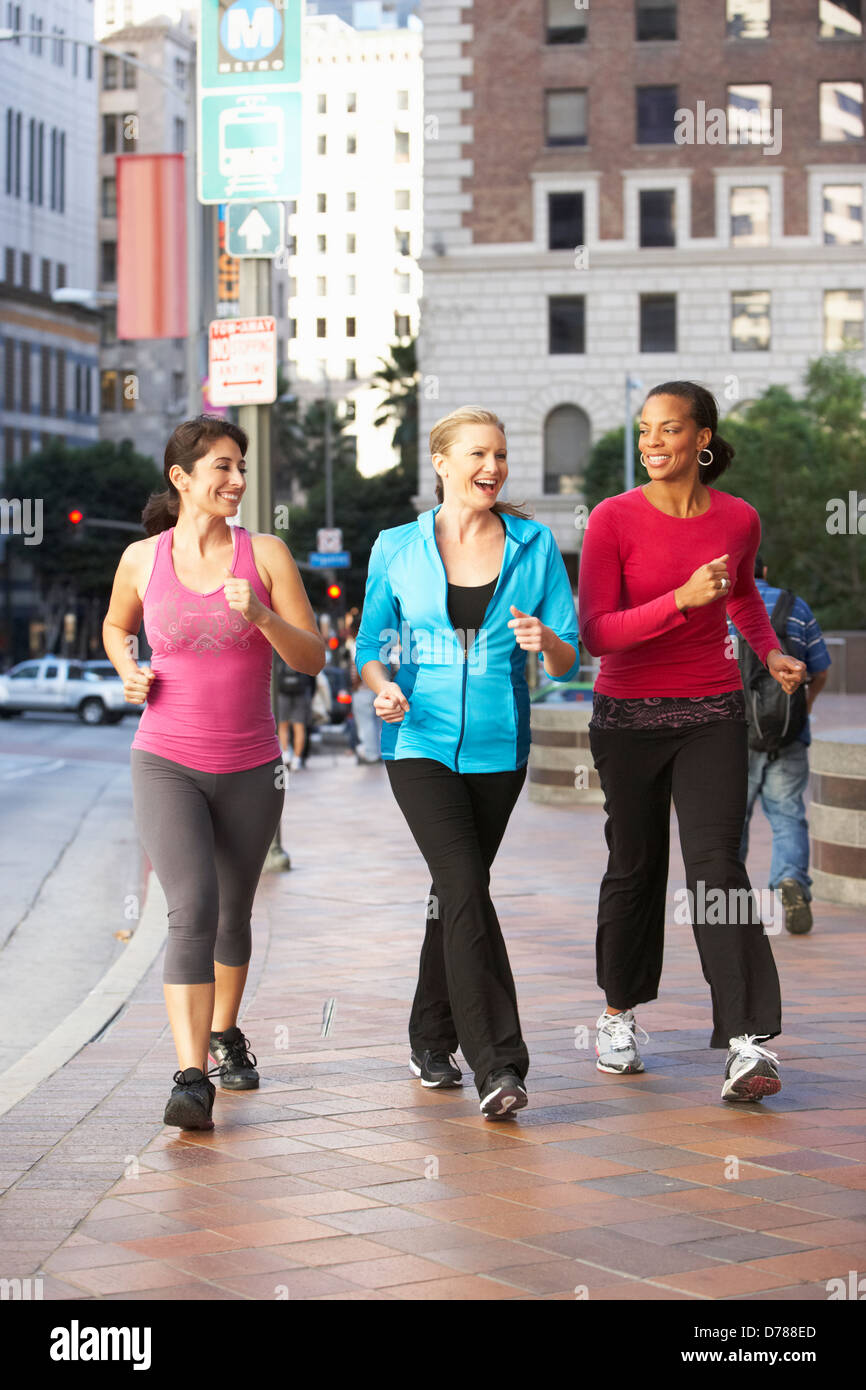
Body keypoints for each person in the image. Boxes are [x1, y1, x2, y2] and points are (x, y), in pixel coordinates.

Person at [578, 382, 806, 1103]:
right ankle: (618, 1014)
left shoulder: (738, 518)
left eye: (668, 430)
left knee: (717, 865)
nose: (652, 442)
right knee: (636, 866)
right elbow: (596, 632)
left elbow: (740, 596)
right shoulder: (613, 519)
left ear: (701, 438)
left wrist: (768, 653)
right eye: (645, 430)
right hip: (627, 717)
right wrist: (678, 601)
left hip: (712, 710)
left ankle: (745, 1040)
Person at [355, 405, 579, 1119]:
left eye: (502, 456)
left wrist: (544, 638)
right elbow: (367, 649)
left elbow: (571, 656)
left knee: (458, 891)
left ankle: (428, 1036)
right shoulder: (395, 545)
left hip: (498, 746)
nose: (493, 468)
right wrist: (384, 687)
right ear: (443, 463)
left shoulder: (534, 544)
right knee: (462, 883)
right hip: (416, 741)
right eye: (479, 454)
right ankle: (500, 1065)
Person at [103, 416, 325, 1131]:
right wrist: (128, 669)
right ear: (182, 479)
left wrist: (260, 613)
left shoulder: (265, 554)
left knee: (233, 914)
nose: (236, 481)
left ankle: (226, 1033)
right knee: (191, 909)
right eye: (222, 468)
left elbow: (312, 658)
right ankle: (192, 1075)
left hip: (253, 764)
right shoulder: (143, 559)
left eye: (241, 468)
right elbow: (115, 625)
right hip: (164, 759)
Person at [734, 553, 831, 935]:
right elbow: (820, 669)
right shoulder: (796, 607)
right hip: (789, 733)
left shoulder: (721, 608)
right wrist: (802, 708)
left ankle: (732, 902)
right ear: (766, 570)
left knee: (731, 822)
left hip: (734, 736)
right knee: (788, 814)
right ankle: (791, 879)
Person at [276, 656, 315, 770]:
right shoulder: (302, 650)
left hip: (283, 692)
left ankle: (286, 754)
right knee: (299, 727)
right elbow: (312, 676)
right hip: (301, 692)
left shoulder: (280, 651)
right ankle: (297, 760)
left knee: (283, 725)